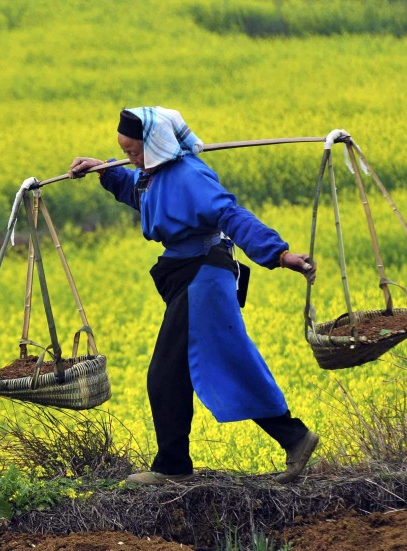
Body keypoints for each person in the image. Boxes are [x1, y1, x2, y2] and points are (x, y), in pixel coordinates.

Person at [68, 106, 319, 485]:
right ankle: (294, 438)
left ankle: (173, 467)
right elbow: (140, 194)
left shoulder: (189, 176)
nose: (131, 158)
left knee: (166, 373)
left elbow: (233, 217)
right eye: (124, 150)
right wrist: (105, 171)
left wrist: (280, 254)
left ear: (155, 144)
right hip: (190, 276)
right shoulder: (154, 175)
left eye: (135, 150)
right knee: (219, 364)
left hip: (204, 277)